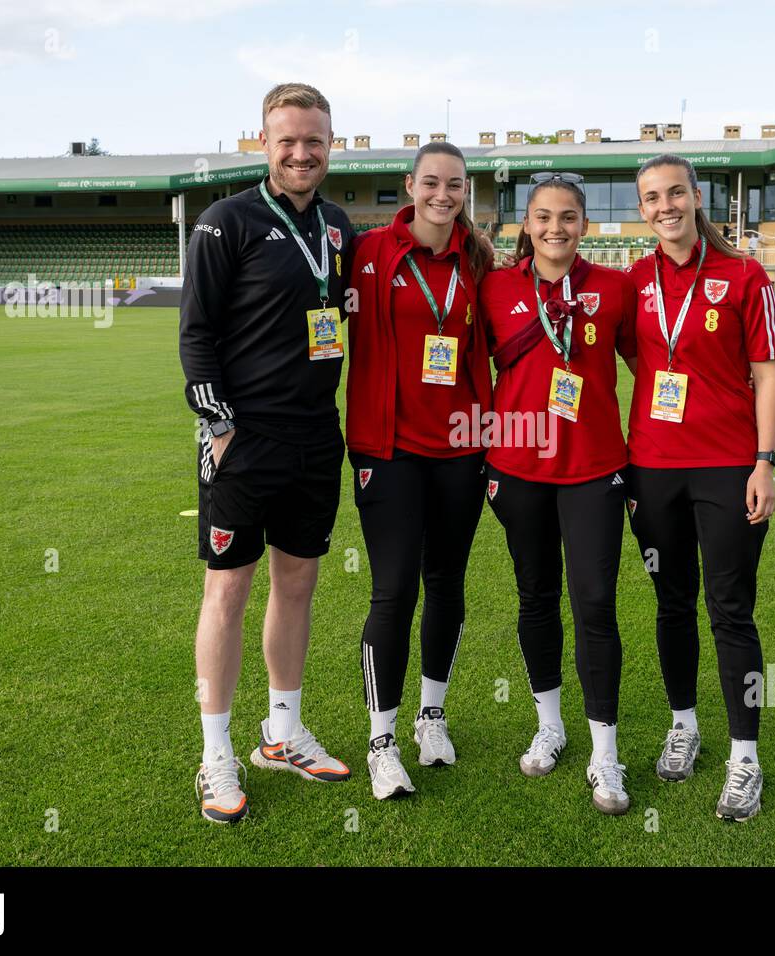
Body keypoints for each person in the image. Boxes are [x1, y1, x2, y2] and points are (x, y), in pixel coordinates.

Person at [179, 83, 354, 824]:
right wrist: (220, 429)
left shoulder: (340, 227)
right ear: (263, 143)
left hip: (317, 438)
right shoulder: (226, 222)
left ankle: (281, 734)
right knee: (227, 589)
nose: (301, 152)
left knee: (299, 583)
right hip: (245, 441)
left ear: (330, 144)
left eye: (314, 140)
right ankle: (215, 751)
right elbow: (196, 333)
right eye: (287, 140)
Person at [625, 154, 775, 822]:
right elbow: (636, 357)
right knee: (671, 604)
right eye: (651, 198)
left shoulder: (743, 274)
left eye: (674, 194)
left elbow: (768, 373)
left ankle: (744, 758)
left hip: (727, 468)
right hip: (653, 467)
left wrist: (765, 461)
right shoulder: (632, 280)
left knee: (730, 610)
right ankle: (684, 725)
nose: (664, 206)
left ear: (696, 197)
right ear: (643, 209)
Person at [478, 172, 639, 814]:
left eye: (568, 217)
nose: (555, 229)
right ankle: (551, 723)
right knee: (536, 597)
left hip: (595, 470)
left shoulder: (615, 288)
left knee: (596, 604)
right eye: (543, 217)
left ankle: (605, 753)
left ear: (585, 225)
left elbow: (655, 366)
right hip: (517, 470)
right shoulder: (495, 288)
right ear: (527, 225)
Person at [344, 141, 494, 799]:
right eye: (430, 182)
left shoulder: (481, 262)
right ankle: (381, 741)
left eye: (454, 185)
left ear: (467, 190)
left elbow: (496, 352)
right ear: (410, 185)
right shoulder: (370, 252)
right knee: (394, 588)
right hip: (389, 450)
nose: (442, 194)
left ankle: (432, 716)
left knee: (447, 582)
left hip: (461, 449)